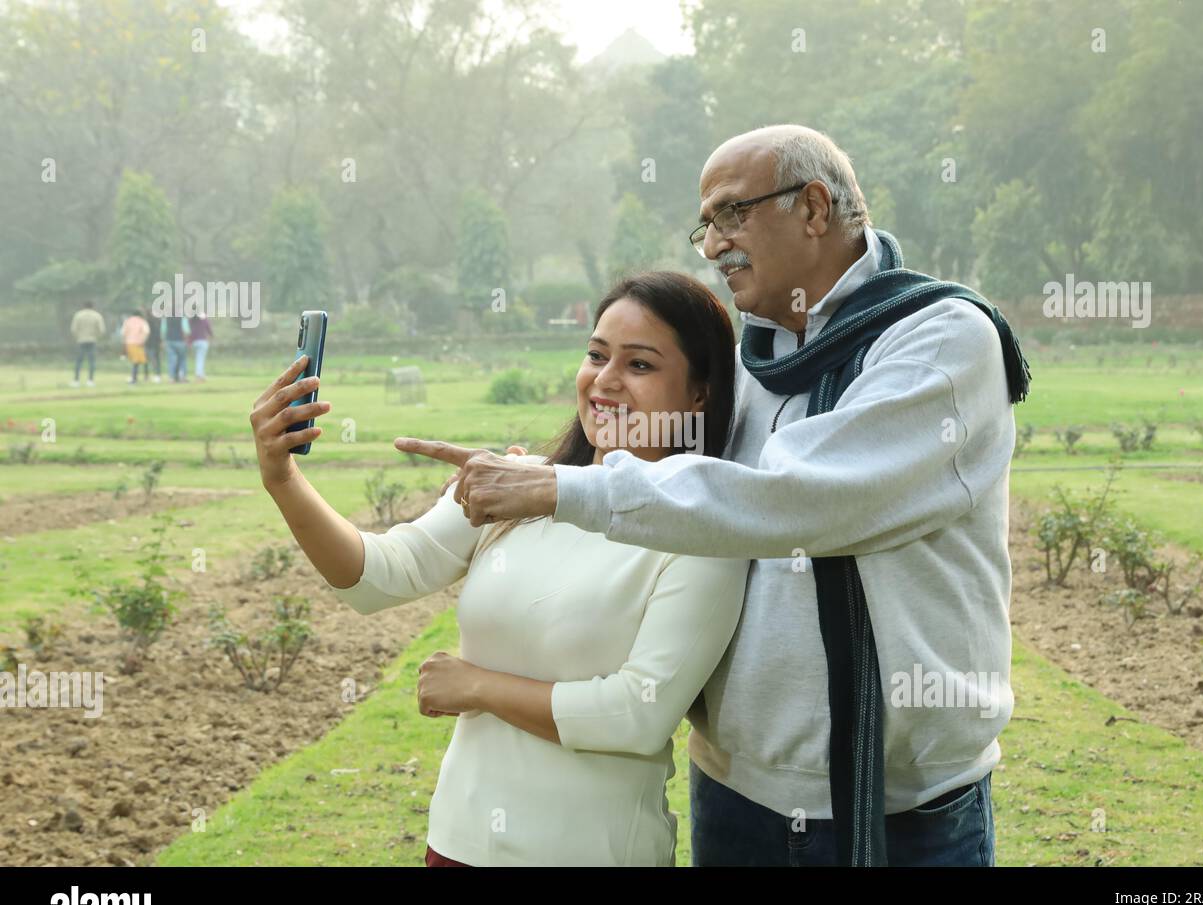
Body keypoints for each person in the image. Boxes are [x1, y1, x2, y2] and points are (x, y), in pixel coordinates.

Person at [409, 124, 1033, 867]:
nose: (712, 245)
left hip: (903, 812)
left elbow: (796, 499)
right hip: (739, 799)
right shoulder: (755, 361)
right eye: (705, 224)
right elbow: (667, 460)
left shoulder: (937, 342)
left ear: (812, 208)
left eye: (732, 214)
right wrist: (564, 458)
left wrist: (557, 488)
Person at [251, 272, 747, 866]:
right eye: (596, 355)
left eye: (640, 365)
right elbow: (378, 575)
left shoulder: (703, 532)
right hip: (459, 845)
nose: (605, 381)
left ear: (698, 394)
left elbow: (637, 715)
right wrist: (282, 478)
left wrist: (478, 686)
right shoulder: (516, 485)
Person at [69, 301, 105, 387]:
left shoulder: (78, 315)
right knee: (92, 361)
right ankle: (90, 381)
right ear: (93, 307)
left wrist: (77, 337)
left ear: (83, 306)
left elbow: (73, 329)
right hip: (92, 340)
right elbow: (102, 330)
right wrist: (97, 337)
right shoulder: (97, 315)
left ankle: (76, 381)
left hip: (81, 340)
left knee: (79, 361)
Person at [121, 309, 150, 385]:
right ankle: (137, 378)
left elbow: (123, 333)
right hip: (138, 343)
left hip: (129, 343)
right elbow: (146, 332)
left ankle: (135, 378)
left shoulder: (127, 321)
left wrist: (124, 343)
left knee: (136, 361)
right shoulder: (142, 321)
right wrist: (143, 340)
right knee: (141, 360)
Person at [162, 312, 190, 382]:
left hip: (169, 340)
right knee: (182, 360)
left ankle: (171, 378)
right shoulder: (182, 317)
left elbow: (163, 330)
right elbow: (186, 330)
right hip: (180, 340)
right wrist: (186, 339)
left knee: (172, 360)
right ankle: (182, 377)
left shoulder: (166, 318)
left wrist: (163, 340)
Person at [189, 311, 213, 381]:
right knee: (200, 359)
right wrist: (212, 336)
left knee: (198, 358)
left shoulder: (191, 319)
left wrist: (189, 341)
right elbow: (209, 328)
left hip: (194, 342)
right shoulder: (204, 319)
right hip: (202, 341)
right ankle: (199, 375)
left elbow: (189, 330)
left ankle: (202, 375)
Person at [145, 310, 163, 382]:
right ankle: (156, 375)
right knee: (155, 360)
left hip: (151, 343)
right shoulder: (157, 321)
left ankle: (151, 375)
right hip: (153, 343)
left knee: (151, 360)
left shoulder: (148, 322)